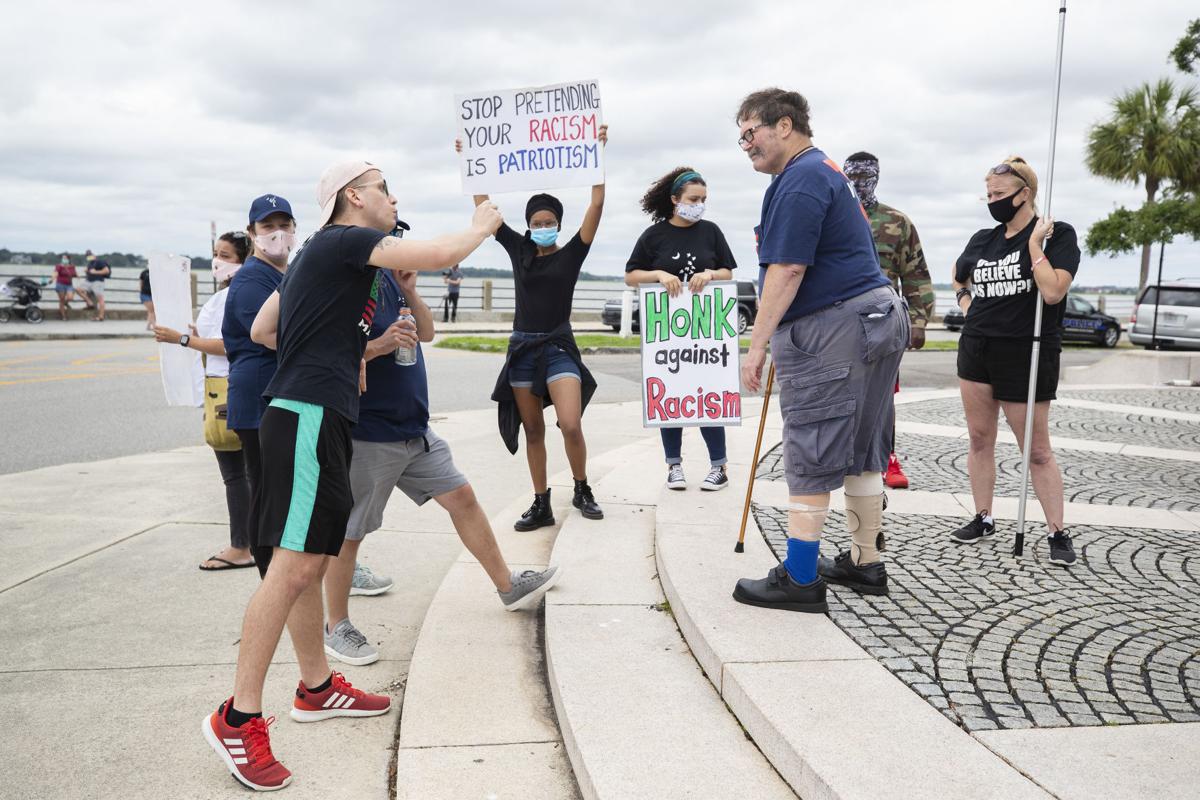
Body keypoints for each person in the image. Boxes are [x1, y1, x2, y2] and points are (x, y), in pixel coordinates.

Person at [202, 160, 504, 792]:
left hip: (317, 413)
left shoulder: (322, 257)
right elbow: (446, 249)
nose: (394, 200)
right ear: (354, 197)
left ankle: (315, 688)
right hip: (309, 416)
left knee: (308, 561)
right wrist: (480, 225)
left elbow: (263, 329)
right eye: (386, 189)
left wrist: (339, 353)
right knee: (289, 571)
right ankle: (237, 718)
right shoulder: (345, 240)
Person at [322, 255, 558, 666]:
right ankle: (335, 626)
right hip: (371, 432)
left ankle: (507, 585)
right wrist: (379, 345)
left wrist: (411, 289)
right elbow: (330, 350)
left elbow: (427, 332)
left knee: (462, 496)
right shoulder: (345, 281)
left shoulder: (394, 281)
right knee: (351, 532)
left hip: (415, 428)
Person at [730, 89, 908, 612]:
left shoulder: (801, 177)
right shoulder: (825, 171)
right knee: (862, 446)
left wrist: (756, 346)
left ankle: (802, 579)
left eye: (750, 132)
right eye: (739, 138)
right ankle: (865, 561)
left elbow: (787, 269)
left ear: (784, 125)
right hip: (875, 313)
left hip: (836, 325)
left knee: (812, 443)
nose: (746, 145)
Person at [455, 127, 608, 531]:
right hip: (522, 351)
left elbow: (596, 204)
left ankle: (582, 487)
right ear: (528, 224)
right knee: (534, 430)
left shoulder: (574, 253)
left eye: (550, 221)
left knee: (570, 423)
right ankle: (541, 503)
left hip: (559, 346)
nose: (544, 225)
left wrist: (597, 157)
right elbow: (485, 207)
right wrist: (472, 161)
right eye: (537, 221)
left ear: (559, 223)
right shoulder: (518, 247)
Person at [948, 156, 1080, 566]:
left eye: (1000, 194)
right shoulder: (982, 239)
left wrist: (1034, 246)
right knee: (978, 438)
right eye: (988, 194)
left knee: (1036, 450)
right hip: (977, 349)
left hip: (1027, 350)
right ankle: (984, 516)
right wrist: (967, 305)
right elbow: (959, 276)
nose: (993, 201)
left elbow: (1055, 291)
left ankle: (1057, 530)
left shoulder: (1057, 235)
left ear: (1026, 193)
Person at [625, 166, 737, 491]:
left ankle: (720, 466)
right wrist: (658, 274)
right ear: (675, 199)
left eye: (703, 199)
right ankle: (673, 465)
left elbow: (728, 271)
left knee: (708, 397)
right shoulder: (653, 236)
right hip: (669, 335)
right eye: (693, 198)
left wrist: (712, 274)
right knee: (671, 397)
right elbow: (631, 276)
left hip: (704, 334)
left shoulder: (712, 231)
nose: (699, 204)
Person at [154, 231, 255, 571]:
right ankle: (252, 543)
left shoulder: (234, 295)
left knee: (235, 474)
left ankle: (242, 546)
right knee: (248, 472)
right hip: (225, 384)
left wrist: (182, 339)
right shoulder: (230, 294)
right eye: (216, 253)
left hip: (227, 385)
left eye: (225, 255)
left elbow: (231, 344)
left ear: (242, 260)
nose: (217, 260)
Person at [842, 151, 934, 490]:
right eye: (853, 177)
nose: (860, 184)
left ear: (877, 178)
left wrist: (920, 320)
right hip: (838, 322)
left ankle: (887, 457)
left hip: (882, 322)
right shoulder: (833, 216)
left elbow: (915, 273)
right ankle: (845, 455)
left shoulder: (897, 222)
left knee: (883, 395)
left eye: (867, 177)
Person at [222, 194, 295, 579]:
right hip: (257, 397)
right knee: (266, 489)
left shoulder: (282, 275)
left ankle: (280, 569)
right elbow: (274, 336)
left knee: (278, 488)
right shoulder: (251, 279)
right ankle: (270, 573)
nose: (278, 234)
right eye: (268, 227)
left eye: (284, 225)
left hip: (276, 394)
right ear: (252, 233)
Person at [84, 251, 110, 321]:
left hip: (98, 282)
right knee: (78, 289)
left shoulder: (99, 261)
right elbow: (90, 271)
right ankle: (89, 302)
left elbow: (106, 271)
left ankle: (101, 316)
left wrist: (95, 272)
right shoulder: (90, 263)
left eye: (90, 255)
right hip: (90, 282)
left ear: (94, 255)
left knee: (100, 299)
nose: (88, 257)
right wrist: (87, 271)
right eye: (87, 256)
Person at [53, 255, 78, 320]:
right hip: (60, 284)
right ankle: (63, 316)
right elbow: (55, 273)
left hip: (69, 285)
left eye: (65, 258)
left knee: (70, 297)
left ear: (69, 259)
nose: (64, 259)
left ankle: (66, 303)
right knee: (61, 300)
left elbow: (75, 273)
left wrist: (77, 275)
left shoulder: (72, 266)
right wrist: (52, 278)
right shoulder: (59, 266)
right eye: (63, 258)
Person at [139, 266, 155, 330]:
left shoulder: (156, 272)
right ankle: (154, 326)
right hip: (145, 294)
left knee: (151, 311)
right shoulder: (144, 272)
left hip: (153, 295)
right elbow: (141, 282)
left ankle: (148, 326)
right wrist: (141, 292)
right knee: (152, 311)